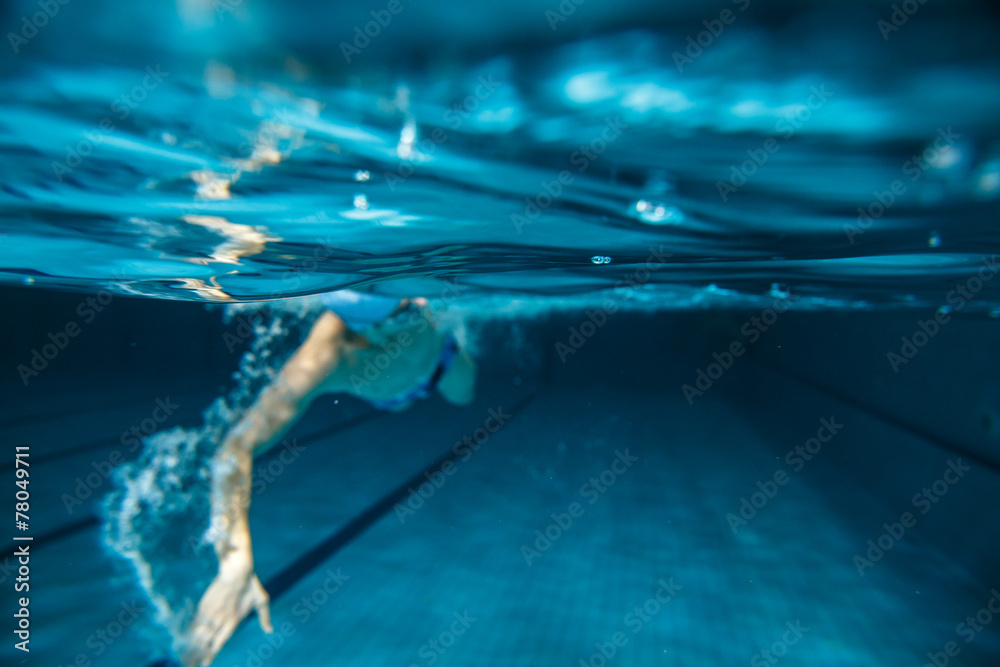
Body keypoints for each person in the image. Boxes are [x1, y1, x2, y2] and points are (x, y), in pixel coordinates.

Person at [179, 290, 476, 667]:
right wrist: (234, 563)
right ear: (360, 328)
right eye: (398, 317)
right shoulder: (325, 355)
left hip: (441, 363)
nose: (417, 307)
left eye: (411, 307)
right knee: (408, 399)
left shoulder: (425, 301)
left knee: (464, 395)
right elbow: (234, 450)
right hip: (390, 389)